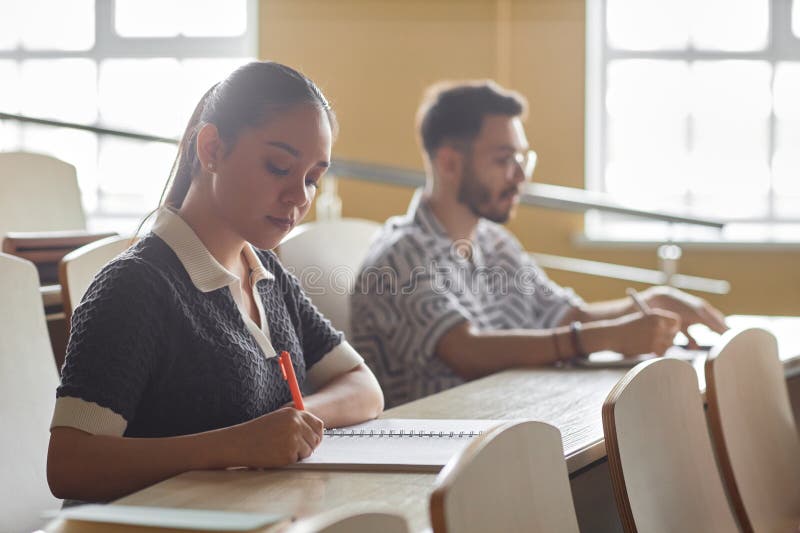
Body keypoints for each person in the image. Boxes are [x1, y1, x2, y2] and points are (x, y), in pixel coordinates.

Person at [47, 61, 384, 502]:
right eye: (279, 166)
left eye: (312, 179)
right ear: (211, 149)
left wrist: (292, 421)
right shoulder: (134, 287)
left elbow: (364, 387)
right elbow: (69, 465)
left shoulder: (267, 275)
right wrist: (235, 444)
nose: (299, 197)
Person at [350, 80, 727, 408]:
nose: (519, 177)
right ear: (449, 163)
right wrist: (607, 337)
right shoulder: (399, 256)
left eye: (522, 158)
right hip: (436, 457)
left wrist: (653, 301)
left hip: (509, 425)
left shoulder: (495, 243)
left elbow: (567, 317)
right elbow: (467, 351)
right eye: (503, 160)